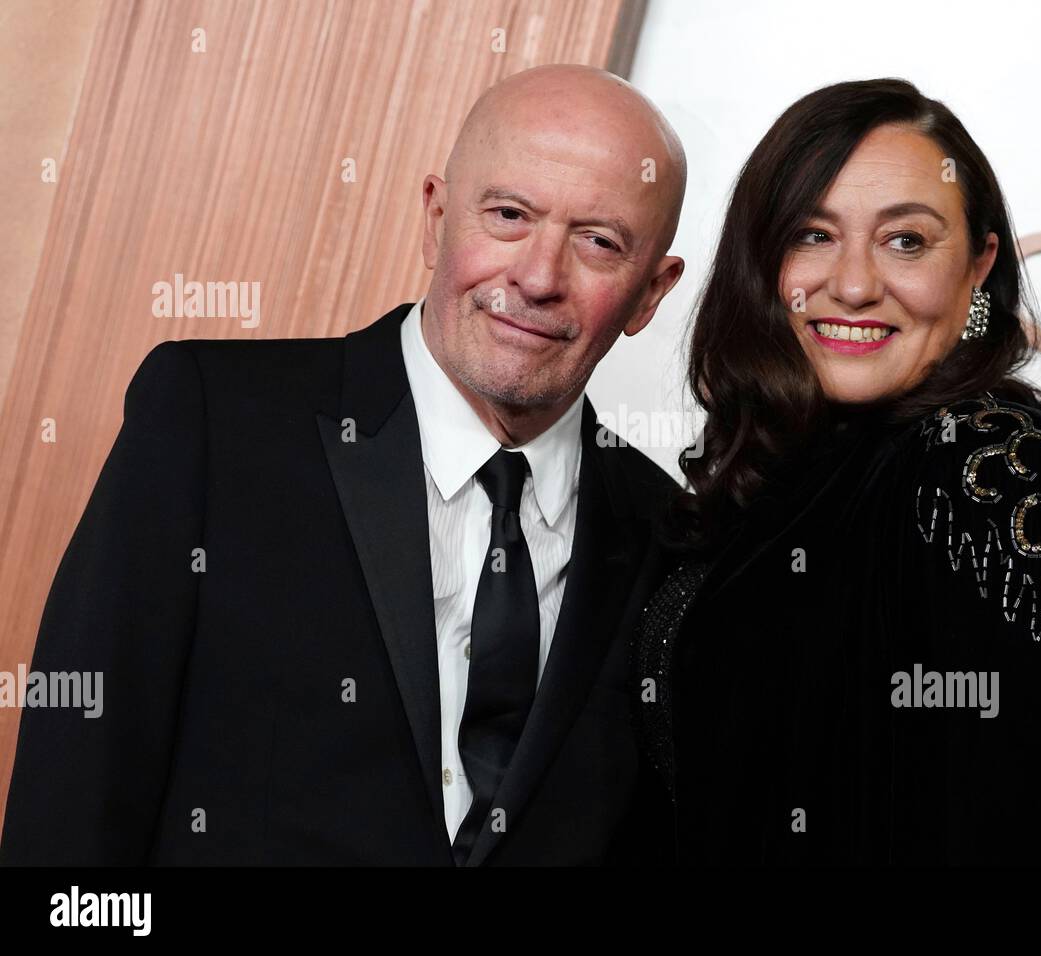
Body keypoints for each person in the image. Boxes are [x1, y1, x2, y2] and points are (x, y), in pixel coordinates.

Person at [1, 64, 686, 866]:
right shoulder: (214, 421)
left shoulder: (672, 538)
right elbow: (75, 797)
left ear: (650, 293)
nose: (537, 278)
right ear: (436, 217)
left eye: (599, 242)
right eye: (507, 215)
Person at [631, 78, 1041, 865]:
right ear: (762, 258)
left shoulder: (996, 463)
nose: (857, 285)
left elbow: (1037, 830)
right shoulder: (768, 476)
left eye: (907, 241)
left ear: (977, 268)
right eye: (812, 234)